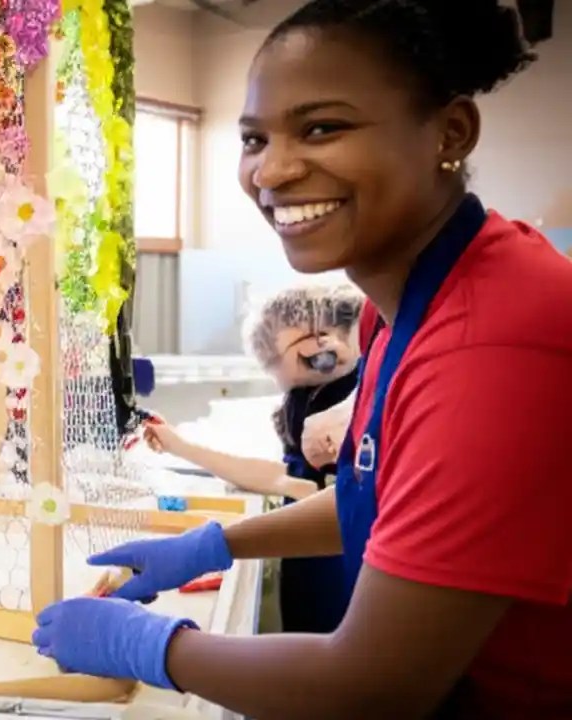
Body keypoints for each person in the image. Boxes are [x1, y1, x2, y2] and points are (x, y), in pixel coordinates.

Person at [30, 2, 572, 717]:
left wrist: (154, 648)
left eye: (323, 128)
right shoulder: (411, 297)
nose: (274, 171)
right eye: (254, 138)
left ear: (451, 131)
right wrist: (218, 544)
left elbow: (374, 687)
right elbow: (381, 496)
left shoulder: (490, 347)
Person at [136, 283, 363, 633]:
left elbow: (307, 490)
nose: (274, 370)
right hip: (309, 573)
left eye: (275, 355)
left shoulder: (354, 394)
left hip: (342, 579)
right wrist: (180, 446)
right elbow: (285, 479)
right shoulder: (307, 397)